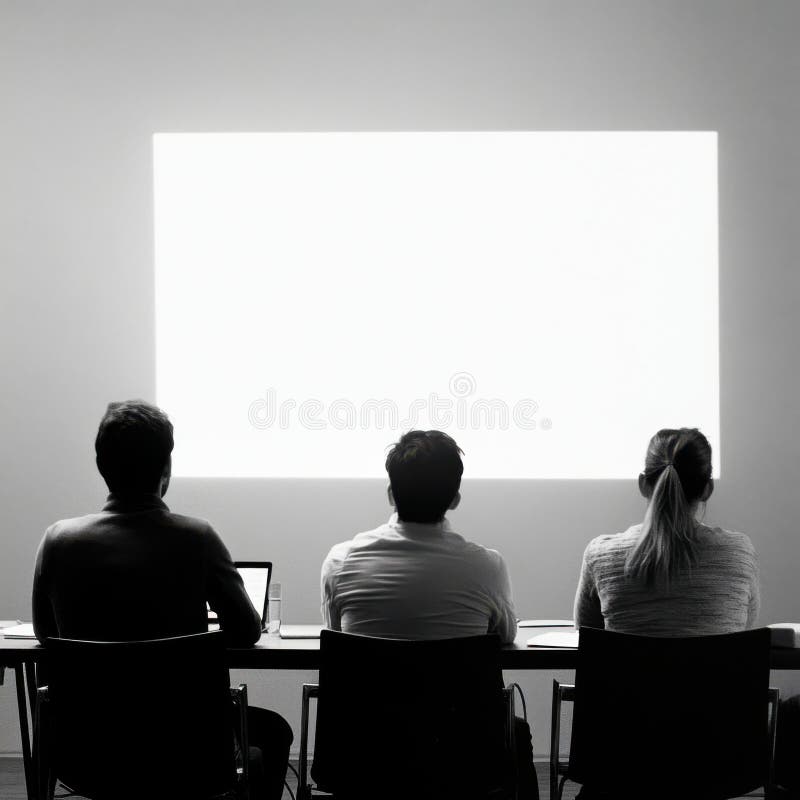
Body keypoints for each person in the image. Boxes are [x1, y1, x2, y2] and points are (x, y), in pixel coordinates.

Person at [32, 400, 292, 800]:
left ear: (101, 465)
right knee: (273, 731)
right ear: (165, 470)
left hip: (88, 751)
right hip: (185, 748)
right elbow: (246, 630)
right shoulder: (197, 538)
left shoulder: (57, 541)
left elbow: (46, 635)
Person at [321, 429, 538, 799]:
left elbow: (338, 637)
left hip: (367, 749)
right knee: (514, 731)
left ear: (391, 494)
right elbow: (503, 636)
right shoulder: (485, 566)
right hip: (461, 751)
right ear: (454, 499)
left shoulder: (341, 561)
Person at [574, 427, 759, 635]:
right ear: (708, 489)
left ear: (643, 485)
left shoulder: (600, 555)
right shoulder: (738, 553)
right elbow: (743, 629)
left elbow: (586, 638)